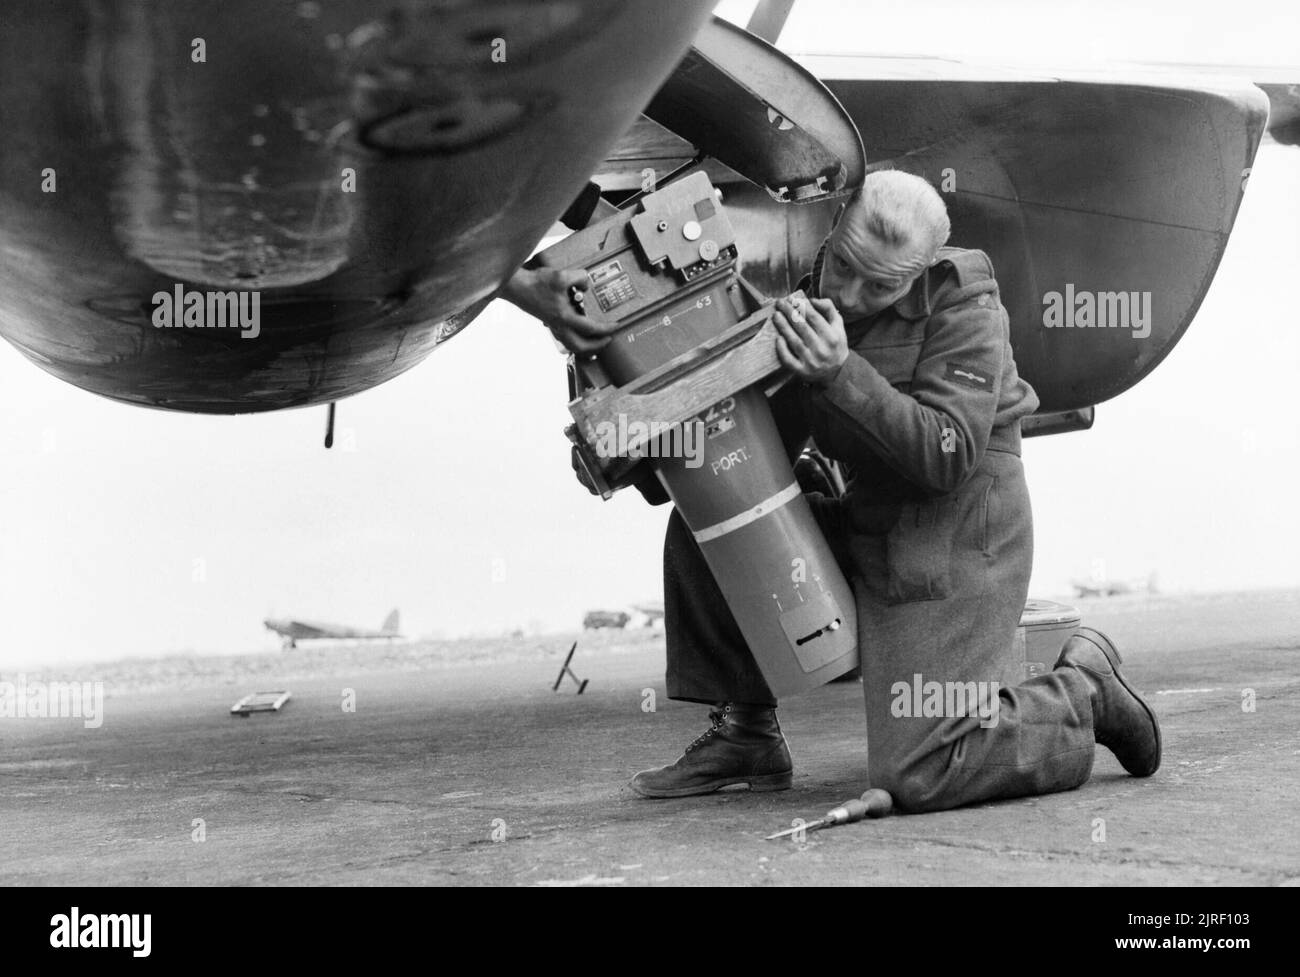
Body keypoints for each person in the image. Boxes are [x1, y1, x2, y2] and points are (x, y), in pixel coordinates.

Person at [506, 170, 1162, 813]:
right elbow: (761, 434)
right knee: (714, 523)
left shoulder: (964, 306)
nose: (848, 293)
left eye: (878, 284)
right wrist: (629, 452)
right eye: (843, 264)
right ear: (835, 225)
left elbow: (947, 456)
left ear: (923, 269)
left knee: (924, 768)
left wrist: (839, 372)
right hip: (869, 518)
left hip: (954, 535)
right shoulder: (812, 299)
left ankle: (1082, 692)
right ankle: (747, 735)